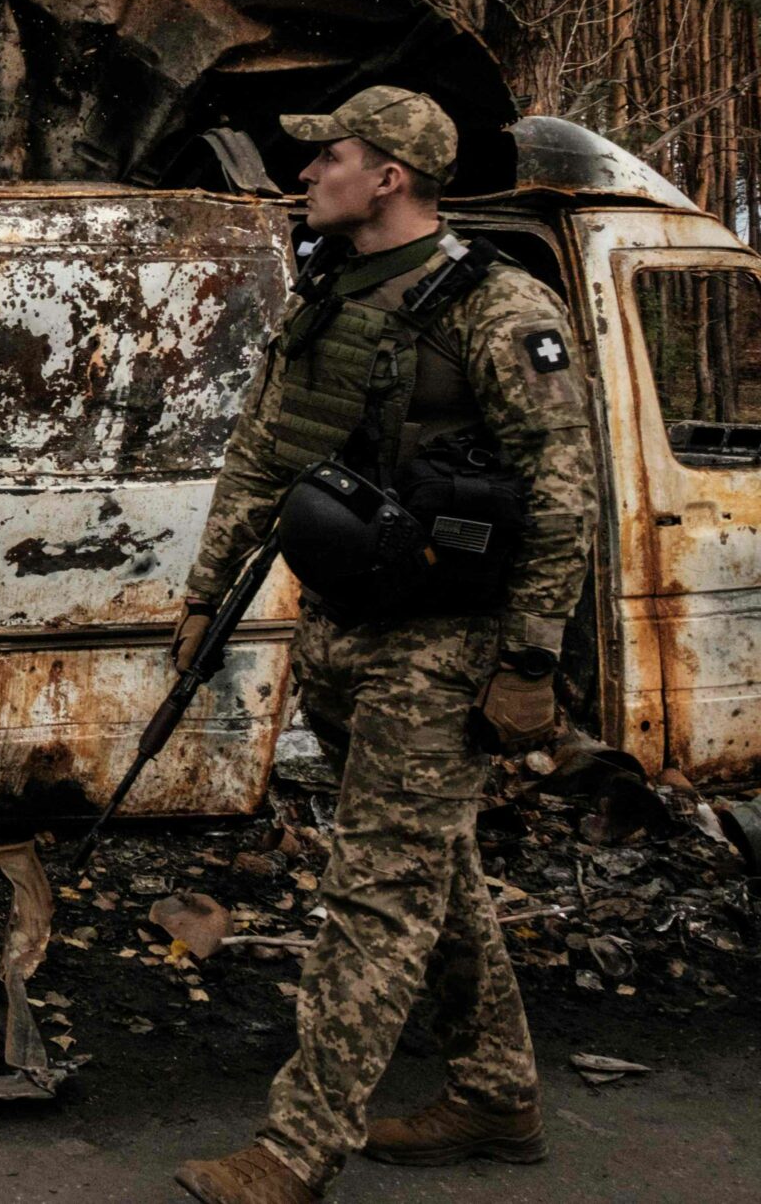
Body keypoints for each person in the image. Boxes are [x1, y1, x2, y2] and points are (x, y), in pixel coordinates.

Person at [170, 87, 599, 1204]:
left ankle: (294, 1152)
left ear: (390, 178)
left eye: (330, 158)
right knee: (429, 867)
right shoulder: (327, 298)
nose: (307, 173)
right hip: (345, 632)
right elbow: (262, 458)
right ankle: (497, 1095)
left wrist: (528, 664)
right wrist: (202, 596)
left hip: (443, 648)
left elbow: (562, 499)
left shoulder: (500, 312)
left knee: (376, 897)